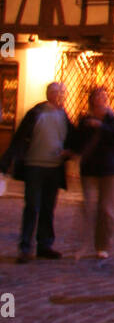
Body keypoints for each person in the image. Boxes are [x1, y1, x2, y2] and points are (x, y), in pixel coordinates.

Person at [0, 82, 77, 263]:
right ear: (49, 94)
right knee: (32, 206)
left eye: (63, 93)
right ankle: (25, 247)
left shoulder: (63, 116)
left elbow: (73, 138)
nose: (61, 96)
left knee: (48, 208)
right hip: (34, 166)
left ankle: (45, 245)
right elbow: (19, 137)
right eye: (57, 93)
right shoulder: (36, 113)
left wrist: (69, 151)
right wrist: (6, 162)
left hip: (54, 168)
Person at [75, 87, 114, 260]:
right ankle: (84, 243)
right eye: (98, 96)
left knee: (106, 209)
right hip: (89, 168)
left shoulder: (113, 118)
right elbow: (78, 141)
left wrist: (101, 126)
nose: (102, 99)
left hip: (109, 168)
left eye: (104, 96)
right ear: (92, 99)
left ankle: (103, 245)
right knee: (89, 207)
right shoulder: (84, 118)